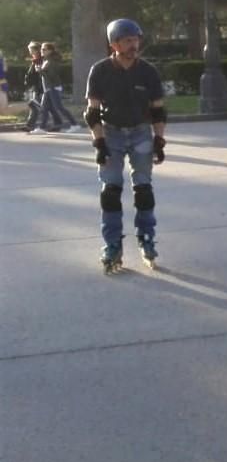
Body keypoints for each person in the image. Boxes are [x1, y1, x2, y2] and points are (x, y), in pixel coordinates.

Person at [84, 19, 168, 272]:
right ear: (114, 44)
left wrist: (159, 140)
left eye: (136, 40)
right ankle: (112, 244)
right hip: (111, 133)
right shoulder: (100, 70)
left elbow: (158, 110)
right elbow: (92, 112)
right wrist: (99, 142)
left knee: (143, 189)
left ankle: (146, 238)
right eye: (128, 40)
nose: (134, 45)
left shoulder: (148, 71)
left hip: (141, 132)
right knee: (110, 191)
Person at [34, 42, 83, 133]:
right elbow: (46, 75)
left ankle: (75, 124)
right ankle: (41, 128)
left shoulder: (52, 61)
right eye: (41, 49)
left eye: (44, 49)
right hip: (48, 88)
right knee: (44, 108)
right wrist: (41, 70)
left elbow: (52, 76)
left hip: (53, 87)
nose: (41, 51)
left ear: (50, 51)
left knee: (59, 107)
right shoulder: (46, 60)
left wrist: (40, 71)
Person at [23, 41, 45, 133]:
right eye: (30, 50)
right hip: (35, 87)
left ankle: (30, 125)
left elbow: (40, 76)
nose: (30, 52)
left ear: (37, 50)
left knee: (34, 106)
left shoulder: (40, 61)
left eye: (32, 50)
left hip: (39, 88)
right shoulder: (35, 61)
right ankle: (30, 125)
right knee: (36, 106)